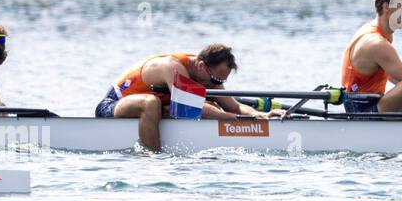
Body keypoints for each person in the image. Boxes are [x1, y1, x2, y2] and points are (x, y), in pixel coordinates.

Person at [95, 44, 282, 152]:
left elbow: (233, 106)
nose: (217, 84)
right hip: (113, 105)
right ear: (201, 66)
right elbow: (196, 108)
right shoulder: (172, 67)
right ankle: (152, 158)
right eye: (216, 79)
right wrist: (234, 120)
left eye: (221, 81)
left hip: (154, 107)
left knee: (177, 106)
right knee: (152, 103)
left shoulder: (208, 72)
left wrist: (261, 116)